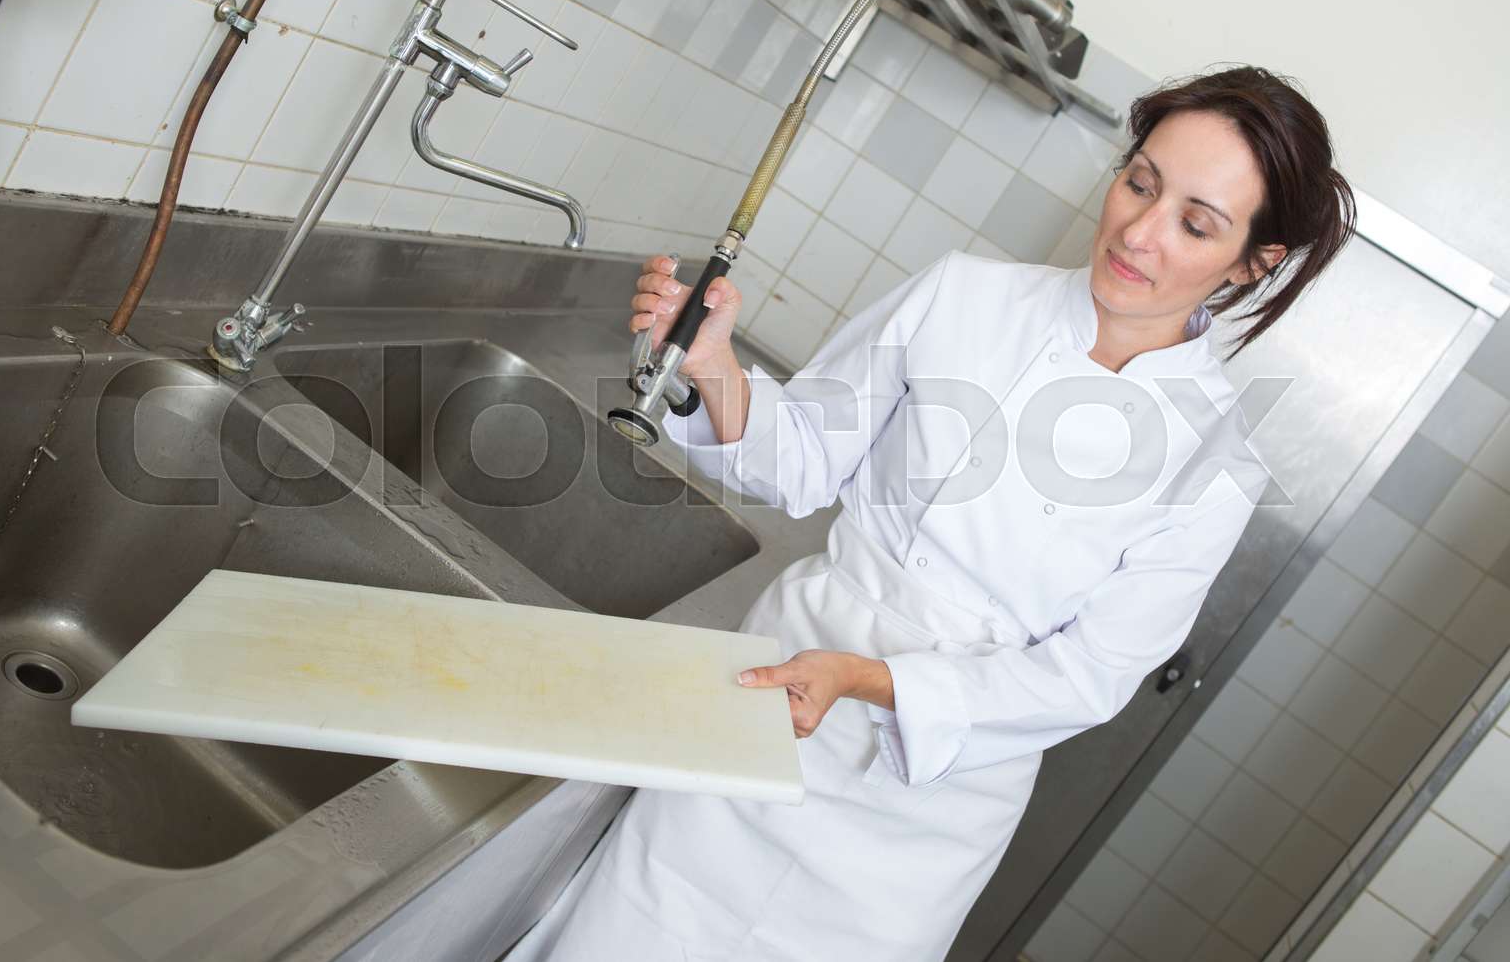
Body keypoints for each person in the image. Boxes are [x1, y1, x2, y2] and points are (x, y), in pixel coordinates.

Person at [507, 66, 1357, 960]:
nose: (1139, 232)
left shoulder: (1214, 464)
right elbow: (804, 459)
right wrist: (712, 362)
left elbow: (1086, 677)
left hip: (924, 812)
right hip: (758, 709)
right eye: (1140, 182)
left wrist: (871, 680)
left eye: (1194, 223)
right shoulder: (965, 295)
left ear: (1253, 262)